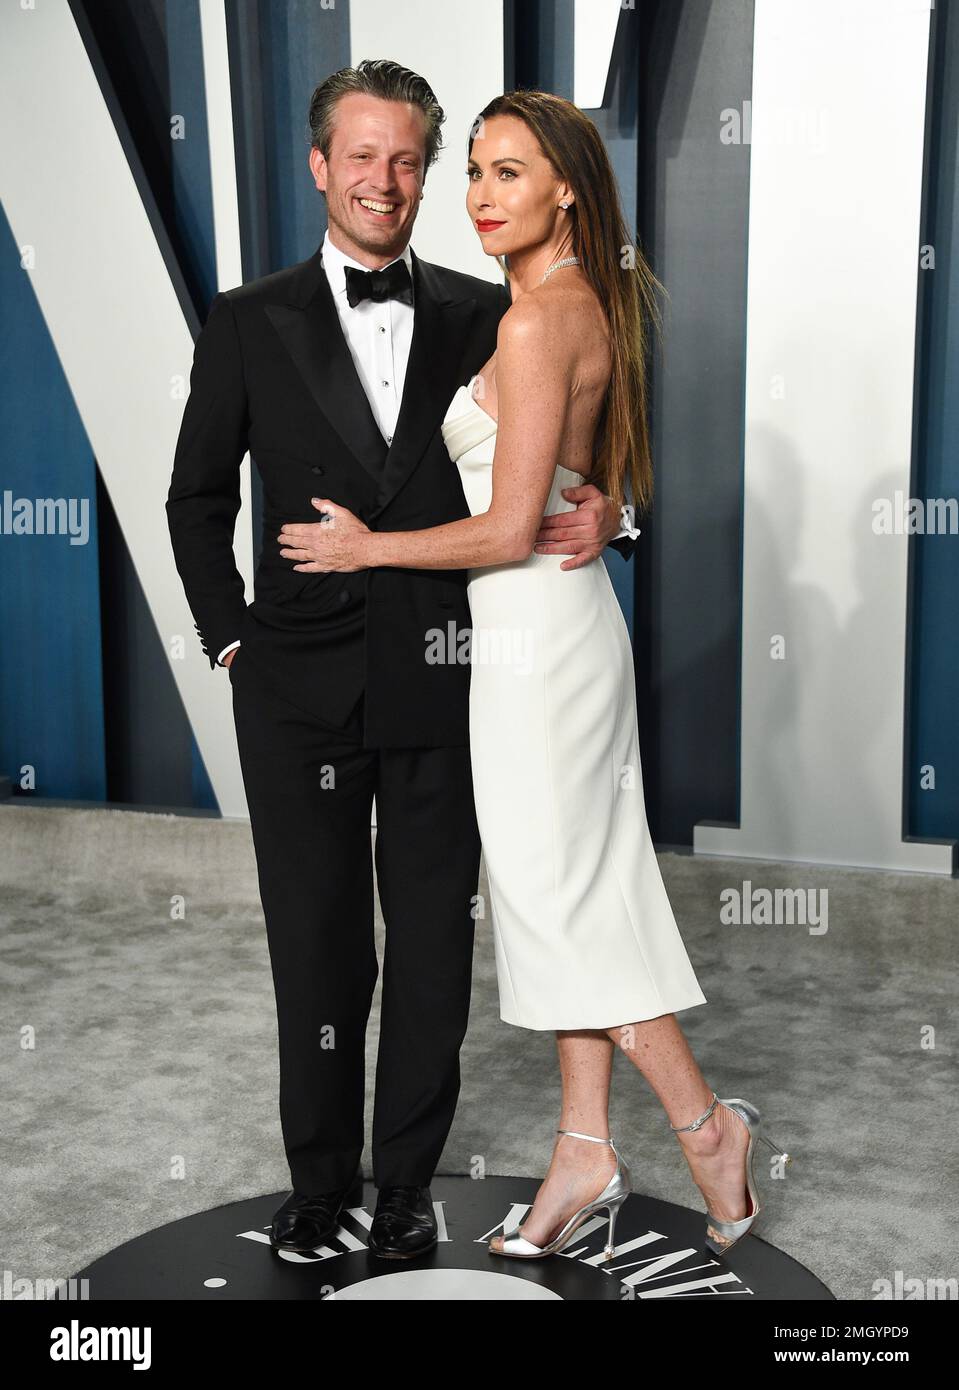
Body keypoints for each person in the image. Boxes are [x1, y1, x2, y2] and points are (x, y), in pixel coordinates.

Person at [285, 89, 792, 1261]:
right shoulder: (560, 309)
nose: (476, 196)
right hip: (536, 634)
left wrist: (366, 545)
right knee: (561, 891)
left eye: (506, 173)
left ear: (565, 187)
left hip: (534, 635)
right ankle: (582, 1147)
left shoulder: (533, 321)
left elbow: (512, 524)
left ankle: (704, 1127)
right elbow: (576, 481)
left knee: (558, 899)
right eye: (470, 171)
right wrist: (602, 504)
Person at [166, 60, 632, 1261]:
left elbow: (585, 422)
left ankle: (407, 1185)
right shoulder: (244, 318)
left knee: (432, 948)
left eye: (409, 159)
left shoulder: (495, 310)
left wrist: (615, 510)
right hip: (295, 694)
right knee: (315, 944)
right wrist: (230, 639)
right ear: (319, 165)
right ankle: (319, 1183)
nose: (387, 180)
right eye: (362, 156)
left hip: (451, 679)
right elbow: (194, 494)